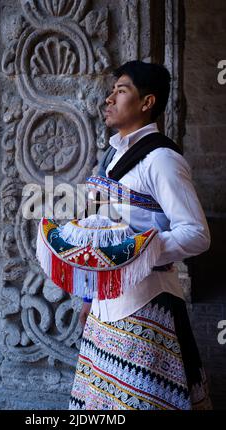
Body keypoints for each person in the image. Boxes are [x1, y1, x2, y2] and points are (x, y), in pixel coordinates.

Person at [68, 60, 213, 410]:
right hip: (106, 303)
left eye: (121, 91)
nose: (109, 99)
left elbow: (196, 233)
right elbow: (99, 229)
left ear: (147, 102)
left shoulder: (161, 160)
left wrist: (137, 251)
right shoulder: (111, 156)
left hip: (146, 304)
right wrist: (89, 296)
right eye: (111, 91)